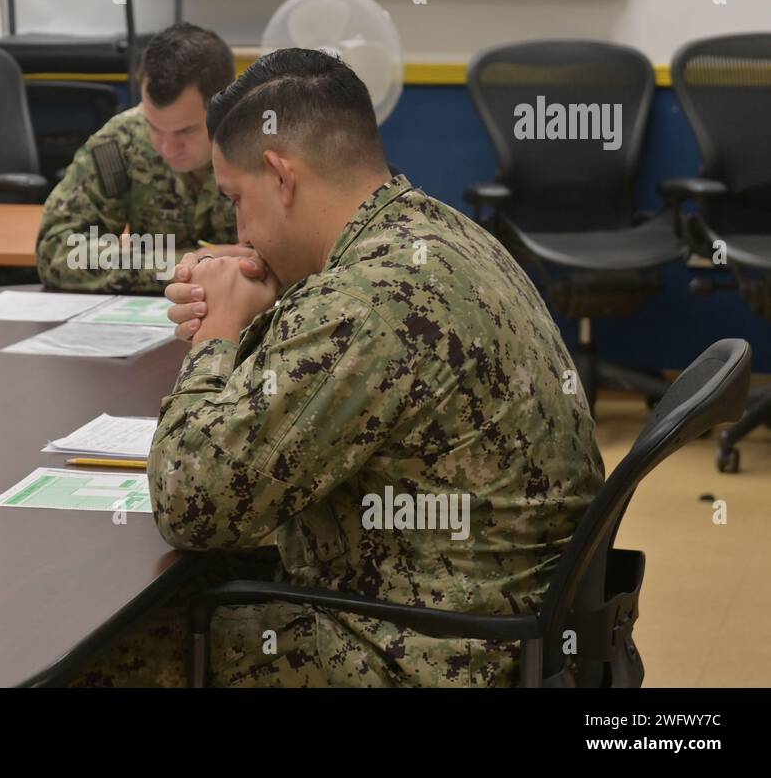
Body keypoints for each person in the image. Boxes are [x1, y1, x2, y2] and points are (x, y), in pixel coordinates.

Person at [71, 48, 604, 687]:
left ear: (281, 175)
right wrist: (269, 309)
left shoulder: (364, 303)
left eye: (237, 199)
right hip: (506, 630)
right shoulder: (437, 234)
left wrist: (216, 335)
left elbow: (189, 503)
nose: (237, 228)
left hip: (428, 654)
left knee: (98, 658)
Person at [35, 23, 246, 293]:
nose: (168, 148)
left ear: (226, 107)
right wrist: (181, 265)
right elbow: (56, 251)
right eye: (154, 127)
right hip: (156, 318)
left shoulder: (265, 145)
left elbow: (308, 255)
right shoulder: (122, 142)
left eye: (186, 131)